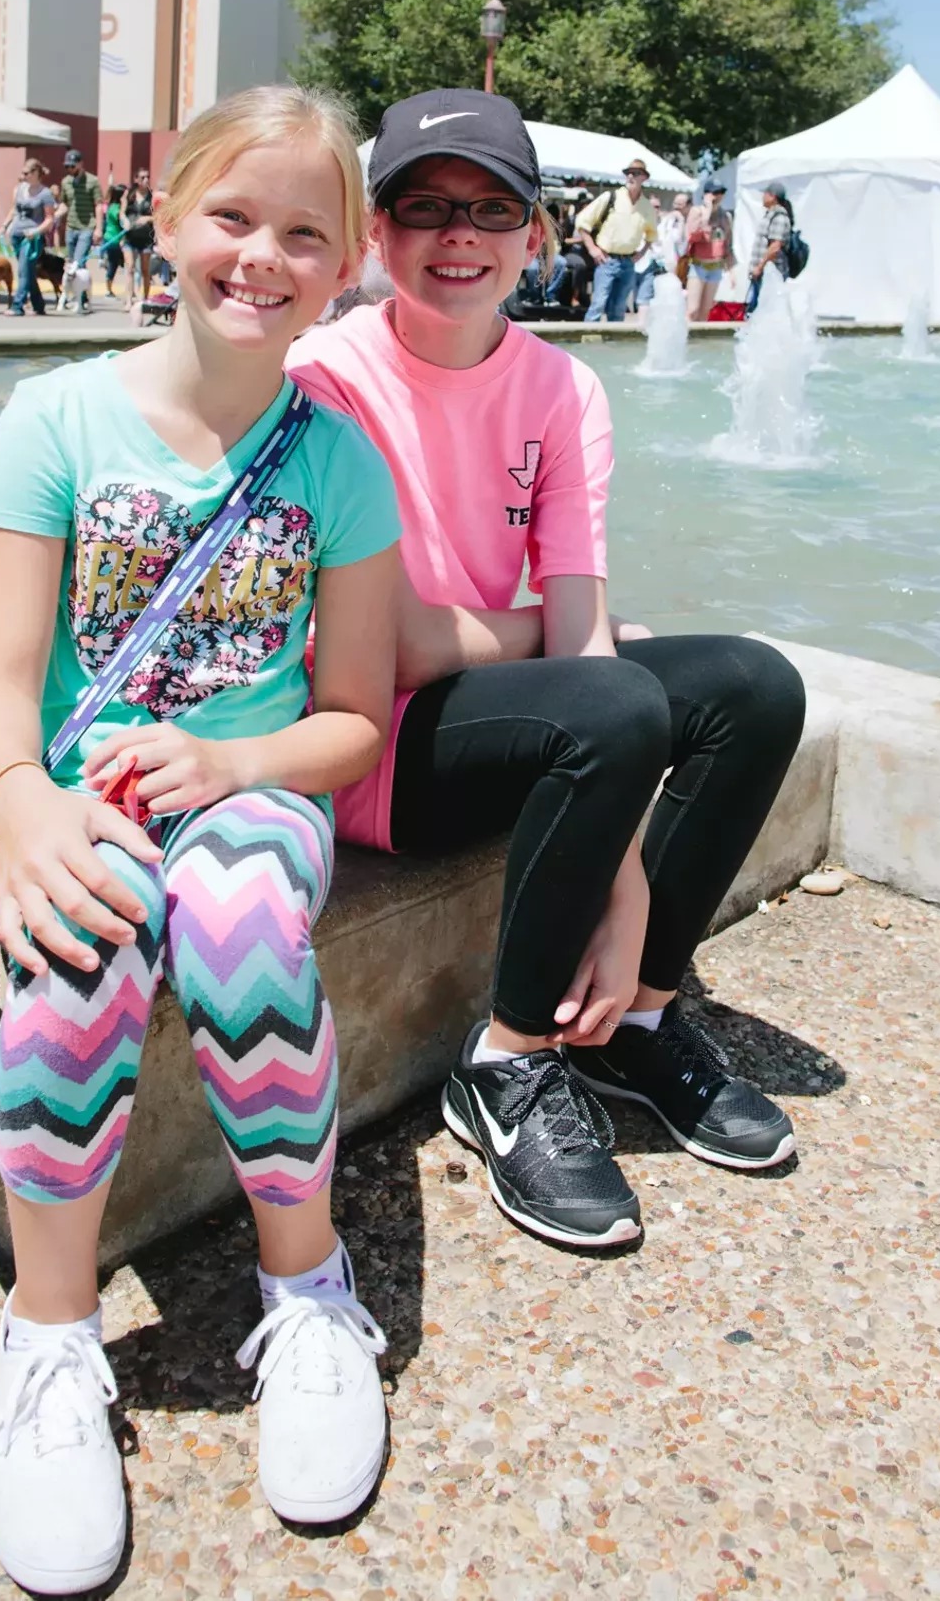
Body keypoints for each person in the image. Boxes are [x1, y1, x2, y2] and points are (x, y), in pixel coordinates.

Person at [0, 86, 401, 1589]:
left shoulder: (337, 460)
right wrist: (23, 810)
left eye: (303, 233)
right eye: (232, 214)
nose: (261, 254)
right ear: (166, 215)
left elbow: (352, 717)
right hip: (75, 786)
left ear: (345, 269)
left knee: (241, 932)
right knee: (72, 949)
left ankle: (310, 1290)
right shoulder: (57, 417)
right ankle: (51, 1341)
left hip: (255, 778)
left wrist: (233, 758)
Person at [289, 88, 807, 1254]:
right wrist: (556, 632)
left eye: (493, 207)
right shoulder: (328, 380)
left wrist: (625, 895)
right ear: (378, 234)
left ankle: (639, 1013)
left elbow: (584, 626)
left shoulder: (563, 388)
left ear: (537, 236)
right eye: (424, 206)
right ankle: (508, 1059)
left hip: (507, 711)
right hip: (373, 743)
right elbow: (406, 647)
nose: (458, 234)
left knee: (753, 685)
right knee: (614, 684)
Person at [576, 158, 657, 321]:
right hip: (606, 259)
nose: (631, 176)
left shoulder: (646, 206)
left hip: (628, 262)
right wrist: (593, 249)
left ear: (644, 178)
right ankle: (588, 343)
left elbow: (652, 235)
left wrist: (640, 254)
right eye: (628, 173)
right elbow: (582, 222)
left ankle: (613, 345)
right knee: (598, 305)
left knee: (619, 309)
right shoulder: (611, 196)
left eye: (636, 173)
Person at [1, 158, 58, 317]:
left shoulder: (45, 194)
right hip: (17, 235)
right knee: (28, 271)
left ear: (36, 173)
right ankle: (39, 305)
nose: (23, 176)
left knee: (23, 270)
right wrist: (5, 225)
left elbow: (49, 219)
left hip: (33, 238)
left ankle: (18, 306)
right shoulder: (19, 189)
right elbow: (14, 210)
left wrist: (36, 231)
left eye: (26, 173)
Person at [56, 149, 103, 312]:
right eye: (67, 167)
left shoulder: (93, 181)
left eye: (72, 166)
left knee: (78, 261)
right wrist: (56, 215)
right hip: (71, 226)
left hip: (87, 227)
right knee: (70, 263)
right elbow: (64, 203)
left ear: (80, 164)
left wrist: (98, 228)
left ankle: (81, 299)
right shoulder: (65, 182)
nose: (69, 169)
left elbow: (98, 205)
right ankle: (76, 296)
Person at [684, 178, 733, 320]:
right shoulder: (696, 211)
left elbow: (728, 243)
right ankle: (686, 339)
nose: (718, 196)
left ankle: (699, 341)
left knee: (705, 311)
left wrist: (731, 270)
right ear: (706, 194)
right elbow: (692, 236)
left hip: (716, 267)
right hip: (698, 265)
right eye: (714, 192)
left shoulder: (725, 216)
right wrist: (706, 215)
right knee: (692, 310)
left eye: (721, 192)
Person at [747, 181, 793, 314]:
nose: (763, 197)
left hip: (769, 273)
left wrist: (759, 267)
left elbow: (775, 246)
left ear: (772, 196)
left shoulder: (779, 217)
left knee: (764, 309)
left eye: (765, 194)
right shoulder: (770, 215)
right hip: (763, 272)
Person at [122, 168, 156, 313]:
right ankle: (129, 300)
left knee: (145, 270)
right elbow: (121, 213)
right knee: (129, 268)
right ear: (136, 179)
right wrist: (124, 221)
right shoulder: (129, 194)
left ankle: (146, 299)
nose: (146, 180)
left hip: (145, 238)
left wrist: (147, 218)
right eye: (142, 177)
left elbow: (159, 216)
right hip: (129, 237)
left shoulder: (152, 196)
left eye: (147, 177)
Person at [99, 181, 125, 295]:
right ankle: (109, 289)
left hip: (110, 238)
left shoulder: (111, 206)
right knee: (114, 264)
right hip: (114, 239)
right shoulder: (116, 208)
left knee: (114, 264)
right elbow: (121, 219)